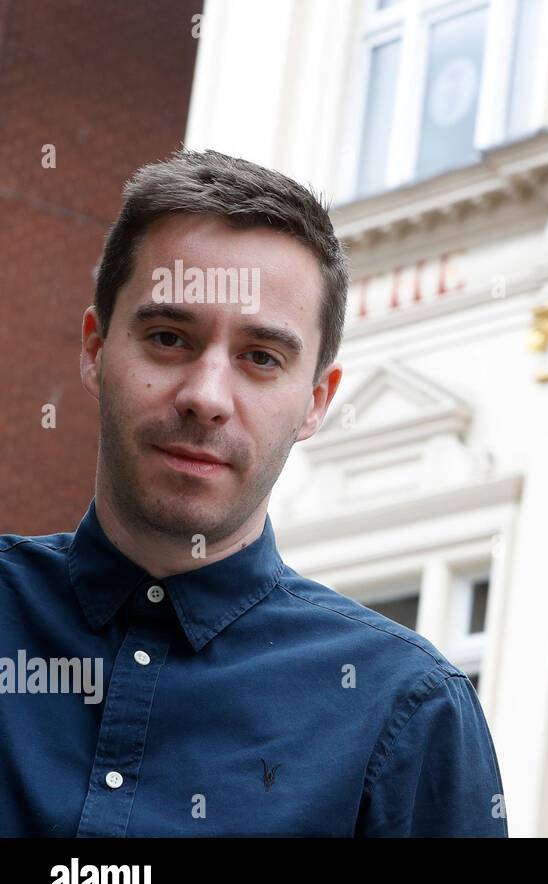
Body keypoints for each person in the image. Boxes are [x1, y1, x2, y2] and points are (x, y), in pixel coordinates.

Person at [0, 149, 508, 837]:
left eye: (261, 357)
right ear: (96, 349)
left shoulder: (408, 712)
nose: (207, 396)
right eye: (169, 337)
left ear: (315, 402)